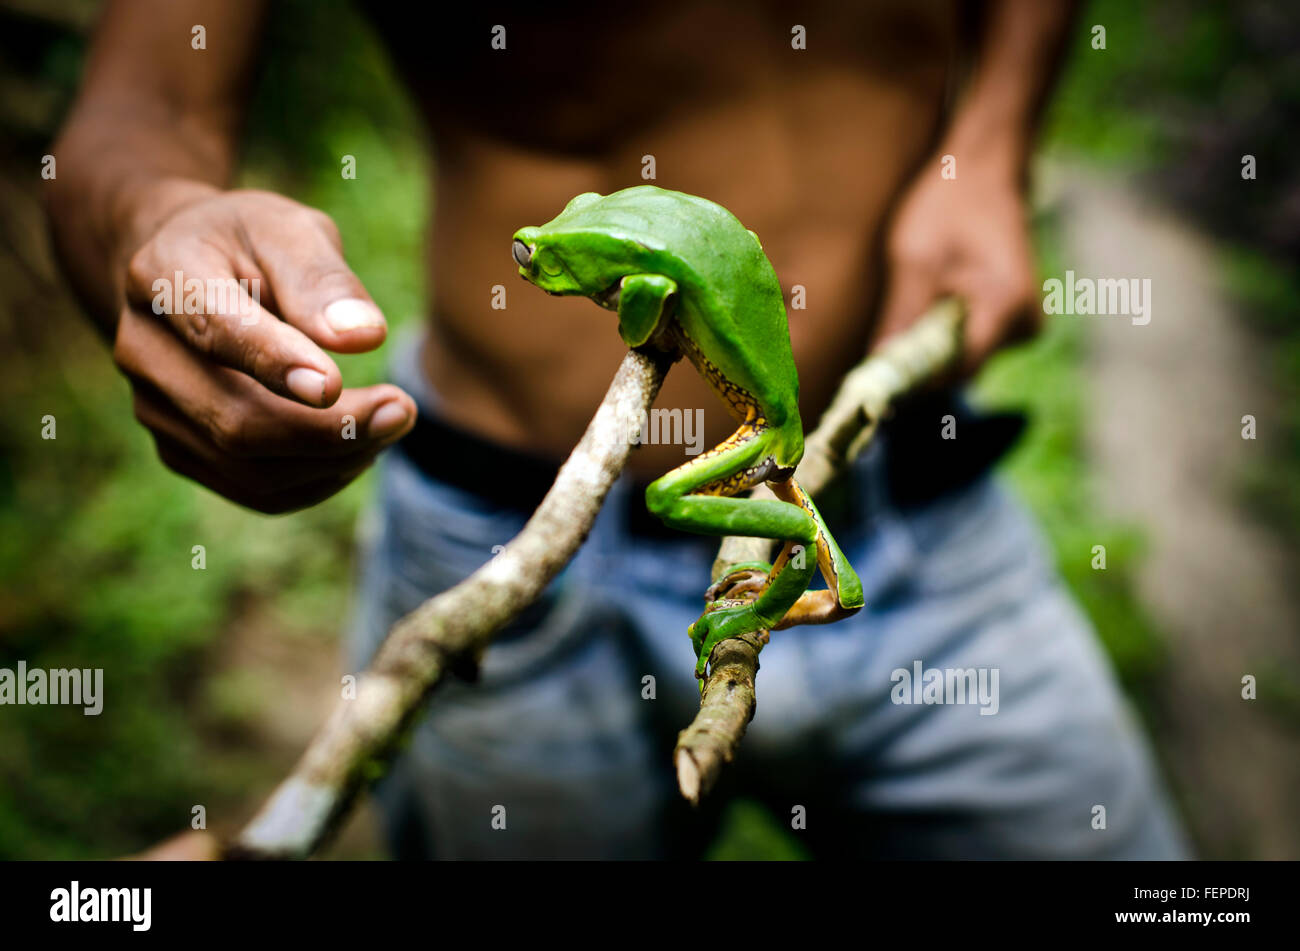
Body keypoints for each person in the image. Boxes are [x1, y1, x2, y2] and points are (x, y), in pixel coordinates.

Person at [47, 0, 1188, 859]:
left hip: (905, 506)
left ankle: (804, 578)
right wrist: (163, 224)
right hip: (512, 553)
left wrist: (990, 145)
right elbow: (139, 108)